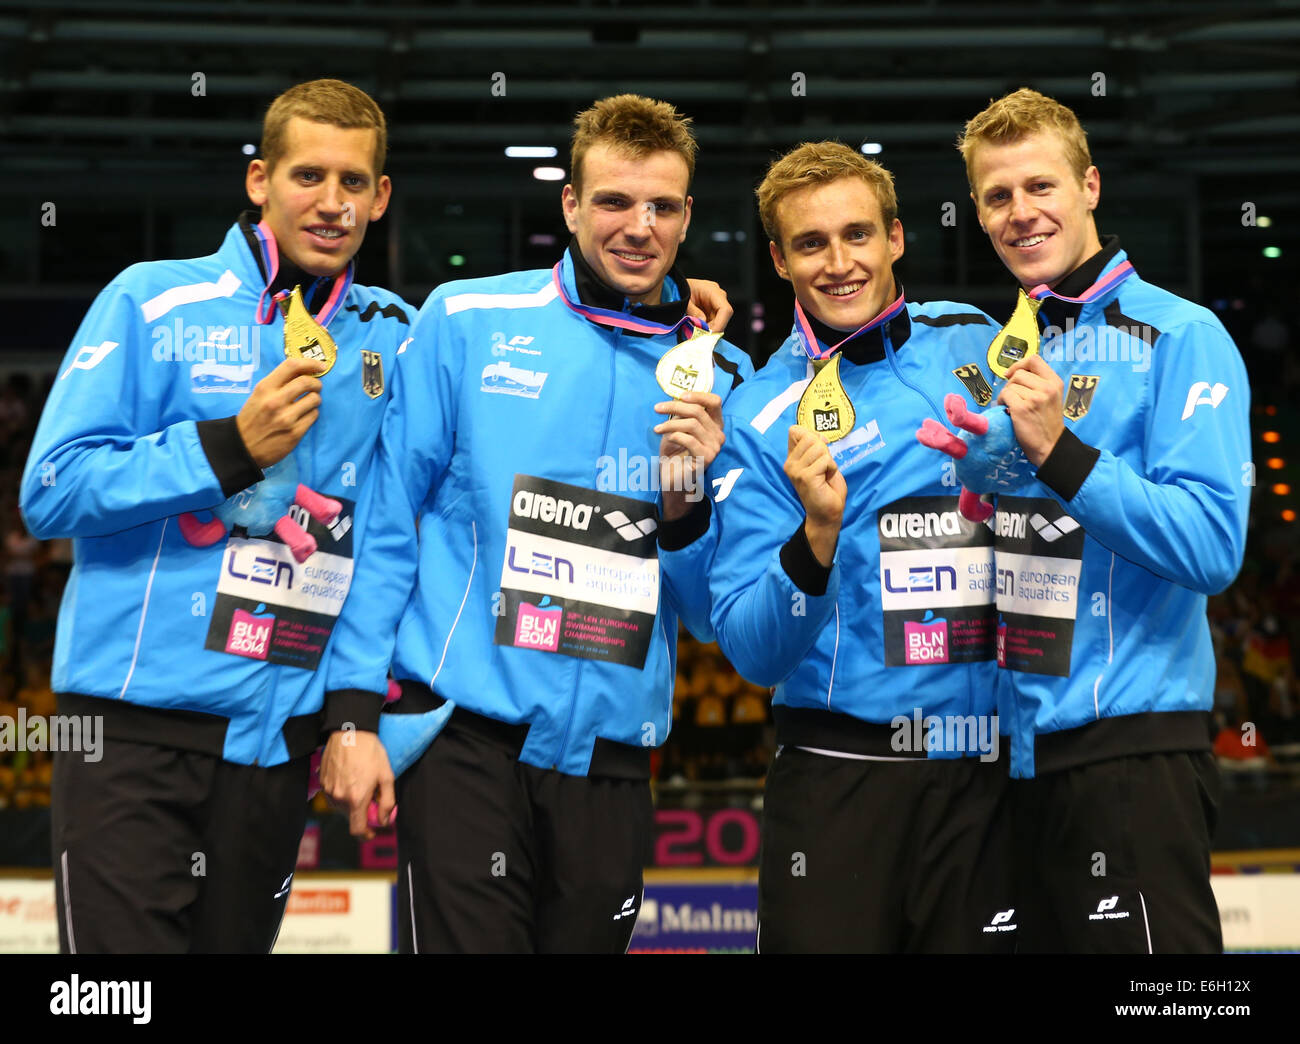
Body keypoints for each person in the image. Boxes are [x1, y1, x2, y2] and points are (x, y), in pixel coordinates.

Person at [321, 94, 753, 953]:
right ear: (569, 204)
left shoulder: (720, 373)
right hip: (466, 739)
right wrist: (352, 713)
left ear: (687, 215)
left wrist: (686, 497)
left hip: (613, 759)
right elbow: (386, 523)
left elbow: (710, 614)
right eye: (613, 202)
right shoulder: (466, 321)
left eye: (662, 206)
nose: (639, 226)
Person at [20, 79, 412, 953]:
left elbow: (383, 541)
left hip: (278, 742)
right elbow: (52, 489)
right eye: (308, 176)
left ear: (381, 197)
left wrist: (669, 313)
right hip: (133, 730)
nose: (331, 202)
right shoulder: (153, 300)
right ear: (258, 180)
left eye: (354, 182)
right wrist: (225, 448)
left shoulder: (396, 337)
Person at [951, 88, 1251, 952]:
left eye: (1040, 186)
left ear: (1089, 186)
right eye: (998, 196)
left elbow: (1211, 544)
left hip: (1131, 752)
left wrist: (1061, 454)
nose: (1021, 213)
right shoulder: (1006, 350)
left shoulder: (1183, 335)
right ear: (977, 212)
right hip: (1015, 758)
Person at [706, 141, 1013, 953]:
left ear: (897, 238)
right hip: (839, 779)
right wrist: (816, 538)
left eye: (857, 235)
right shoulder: (759, 417)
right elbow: (750, 650)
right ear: (778, 259)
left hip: (988, 769)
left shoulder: (975, 340)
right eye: (811, 244)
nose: (839, 263)